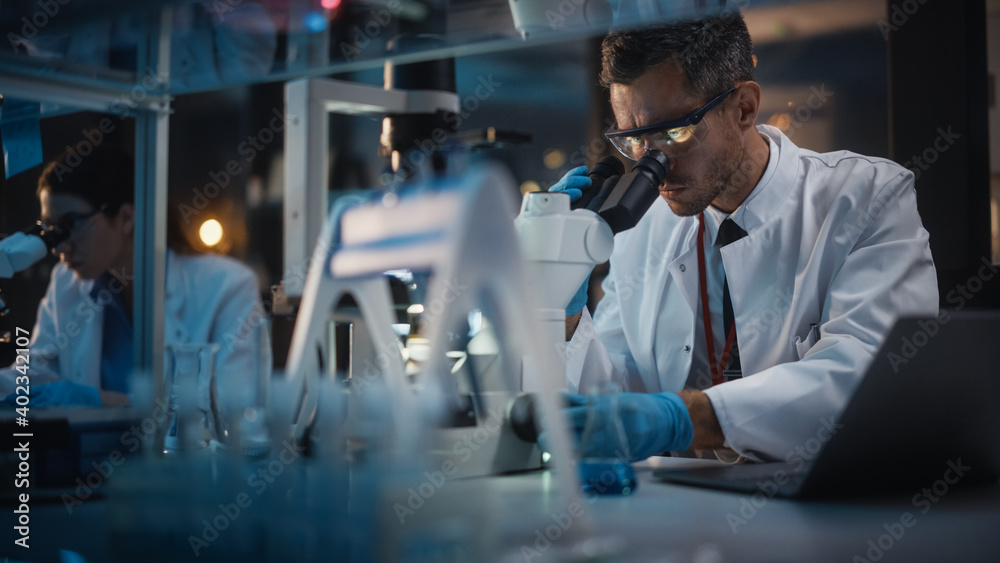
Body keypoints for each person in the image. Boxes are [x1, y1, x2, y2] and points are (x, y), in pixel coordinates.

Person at [554, 13, 938, 462]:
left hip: (825, 500)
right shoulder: (643, 228)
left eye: (675, 132)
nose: (652, 166)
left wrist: (687, 419)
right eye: (633, 139)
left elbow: (872, 376)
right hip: (680, 500)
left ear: (744, 108)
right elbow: (616, 394)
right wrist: (564, 310)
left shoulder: (867, 197)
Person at [0, 147, 267, 407]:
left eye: (71, 225)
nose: (60, 247)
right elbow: (33, 373)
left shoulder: (228, 286)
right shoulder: (66, 282)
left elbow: (235, 407)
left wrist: (108, 404)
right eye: (50, 229)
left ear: (126, 217)